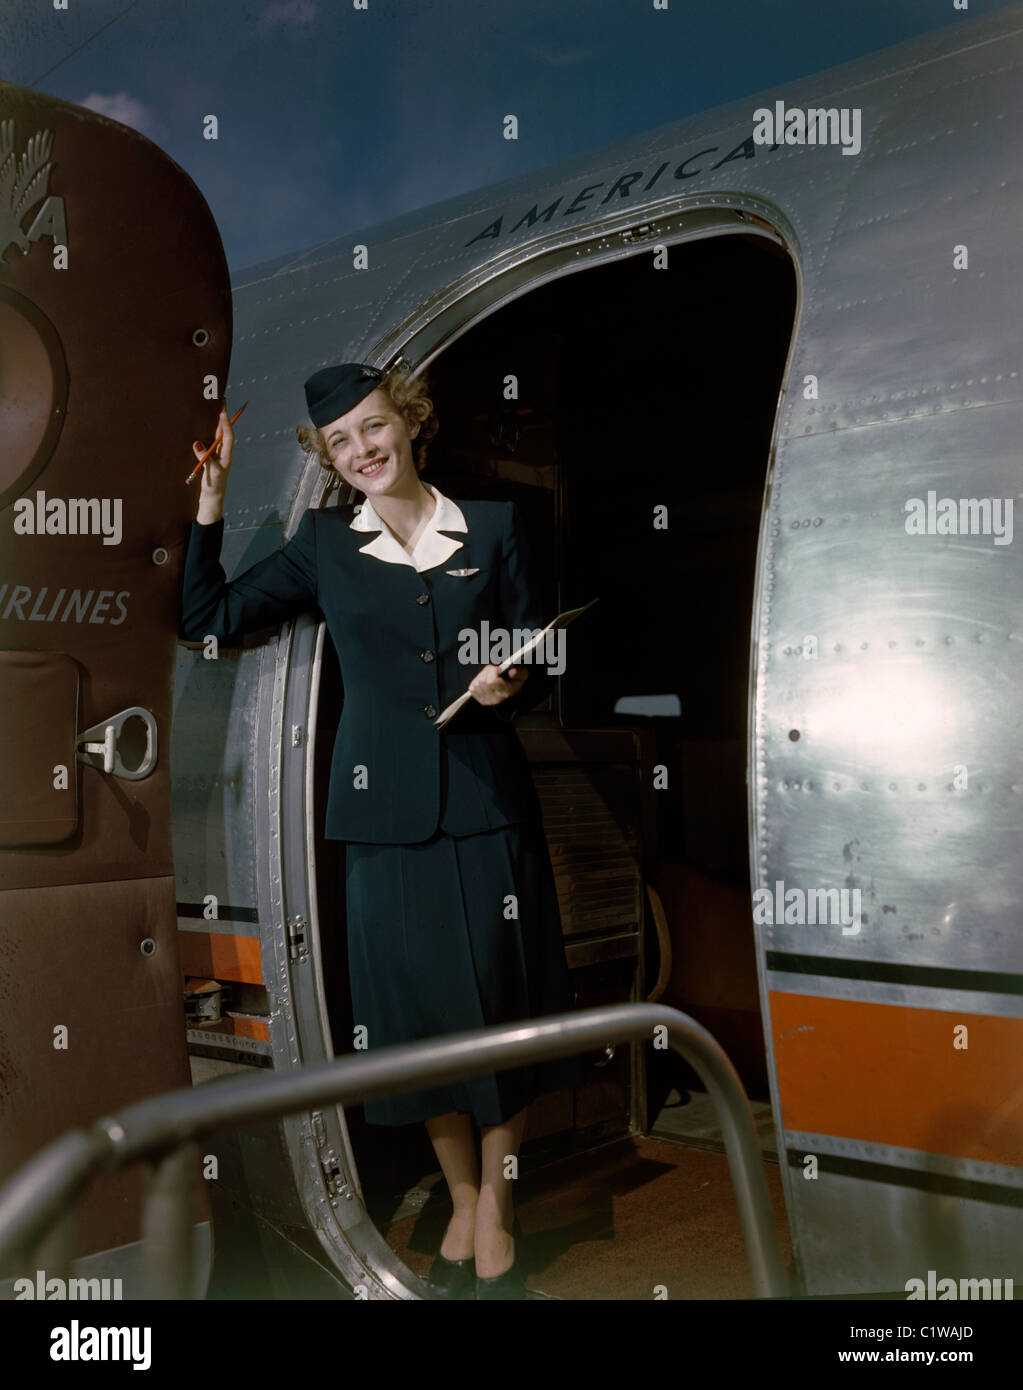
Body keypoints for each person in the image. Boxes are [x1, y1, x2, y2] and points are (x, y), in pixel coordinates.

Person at [178, 363, 585, 1300]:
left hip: (487, 805)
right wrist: (211, 500)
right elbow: (207, 619)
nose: (362, 451)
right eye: (341, 443)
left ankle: (495, 1211)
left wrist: (512, 682)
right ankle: (460, 1193)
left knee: (503, 1014)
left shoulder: (493, 527)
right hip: (382, 821)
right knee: (420, 1023)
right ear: (327, 457)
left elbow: (540, 651)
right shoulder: (324, 544)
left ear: (408, 421)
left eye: (373, 428)